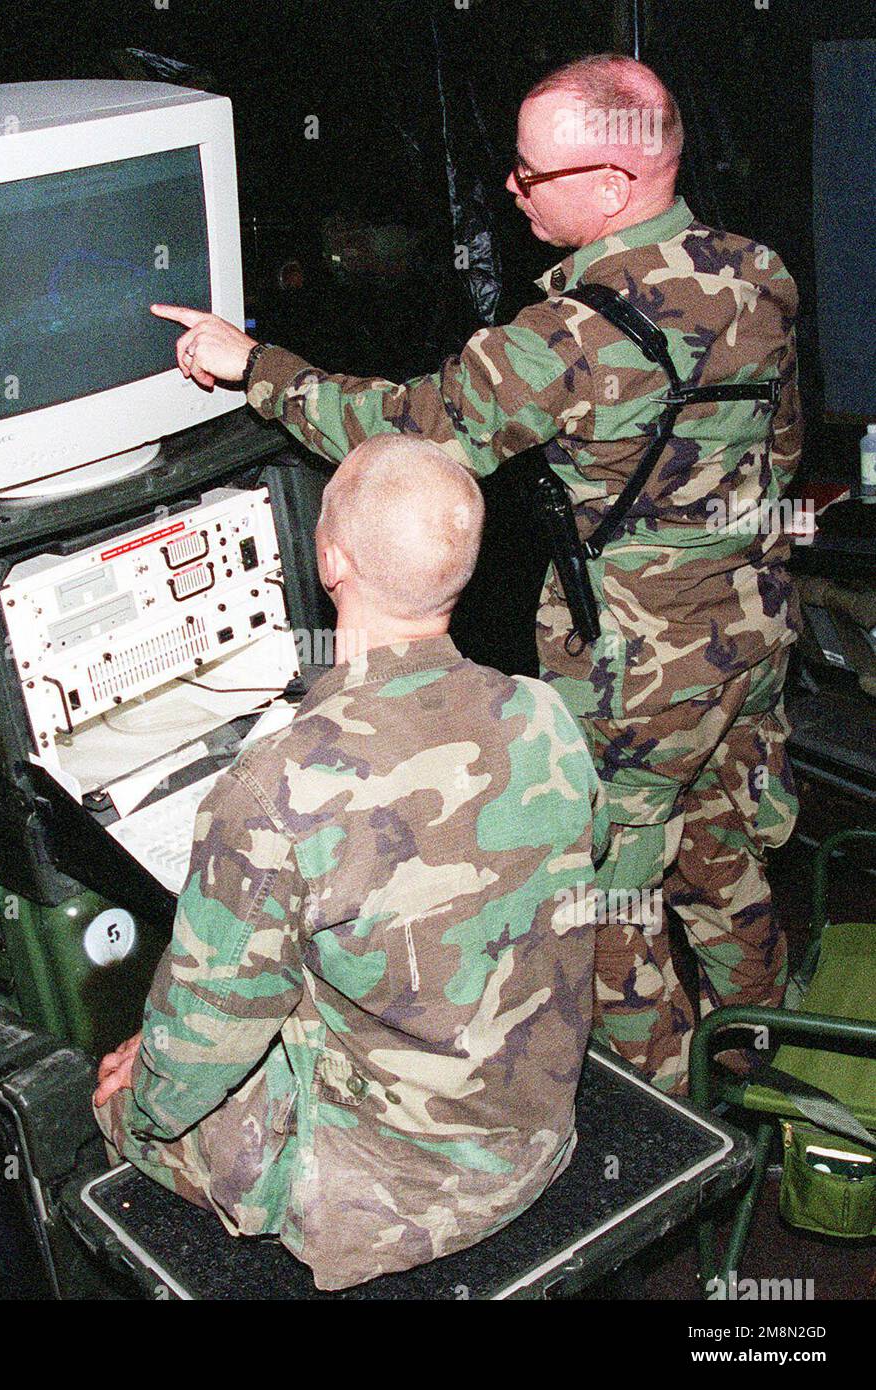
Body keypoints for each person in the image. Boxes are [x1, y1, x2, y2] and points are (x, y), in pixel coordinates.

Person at [150, 53, 801, 1095]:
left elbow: (406, 429)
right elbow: (779, 454)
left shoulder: (571, 335)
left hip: (632, 674)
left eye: (531, 176)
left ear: (614, 183)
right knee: (725, 854)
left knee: (611, 905)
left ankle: (674, 1128)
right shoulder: (759, 271)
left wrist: (253, 368)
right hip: (755, 628)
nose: (510, 188)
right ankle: (774, 1060)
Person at [95, 434, 607, 1291]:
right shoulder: (546, 713)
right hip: (538, 1134)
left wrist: (138, 1097)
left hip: (390, 1202)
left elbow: (201, 1045)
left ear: (330, 561)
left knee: (123, 1096)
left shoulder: (271, 791)